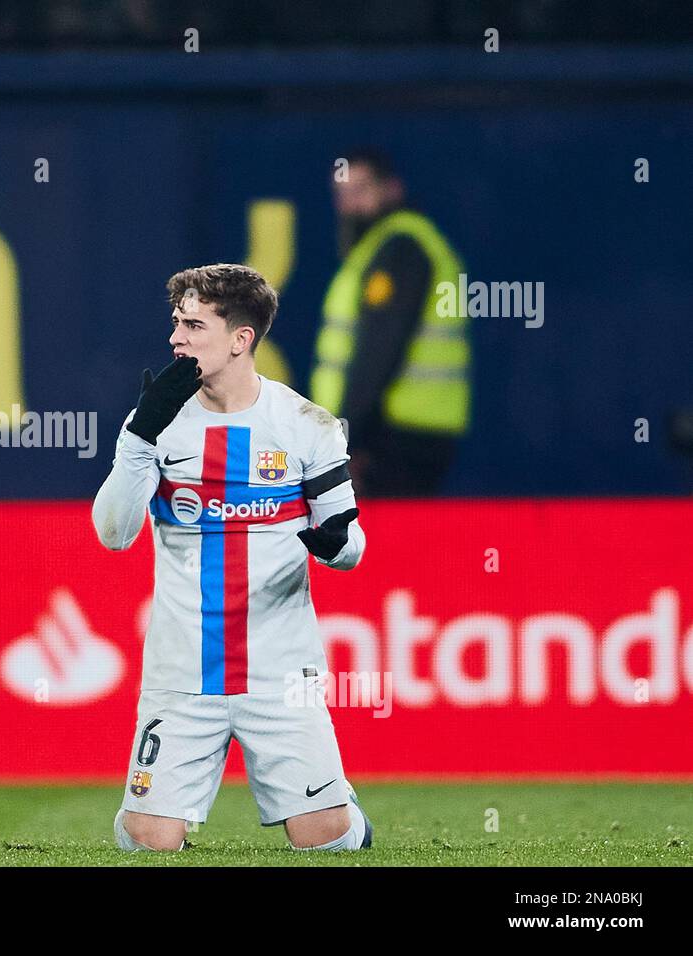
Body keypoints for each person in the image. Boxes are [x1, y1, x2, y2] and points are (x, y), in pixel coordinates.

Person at [93, 263, 372, 853]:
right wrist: (139, 437)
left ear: (241, 339)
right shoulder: (155, 424)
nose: (177, 339)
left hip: (280, 672)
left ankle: (345, 814)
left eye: (194, 325)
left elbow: (350, 547)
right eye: (176, 323)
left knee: (326, 842)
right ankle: (146, 813)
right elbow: (115, 534)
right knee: (147, 843)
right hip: (182, 671)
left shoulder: (306, 425)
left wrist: (333, 546)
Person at [311, 148, 468, 496]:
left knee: (380, 545)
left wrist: (348, 438)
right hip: (402, 433)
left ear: (393, 190)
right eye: (342, 193)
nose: (351, 204)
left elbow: (379, 351)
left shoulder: (400, 249)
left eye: (362, 190)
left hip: (396, 437)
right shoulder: (384, 247)